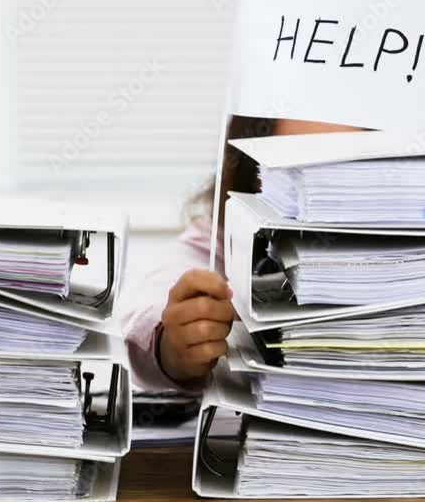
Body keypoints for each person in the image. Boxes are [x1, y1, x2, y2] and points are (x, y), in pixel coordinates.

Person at [120, 118, 364, 391]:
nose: (317, 198)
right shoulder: (221, 243)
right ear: (251, 177)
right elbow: (147, 313)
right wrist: (174, 346)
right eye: (292, 174)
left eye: (346, 175)